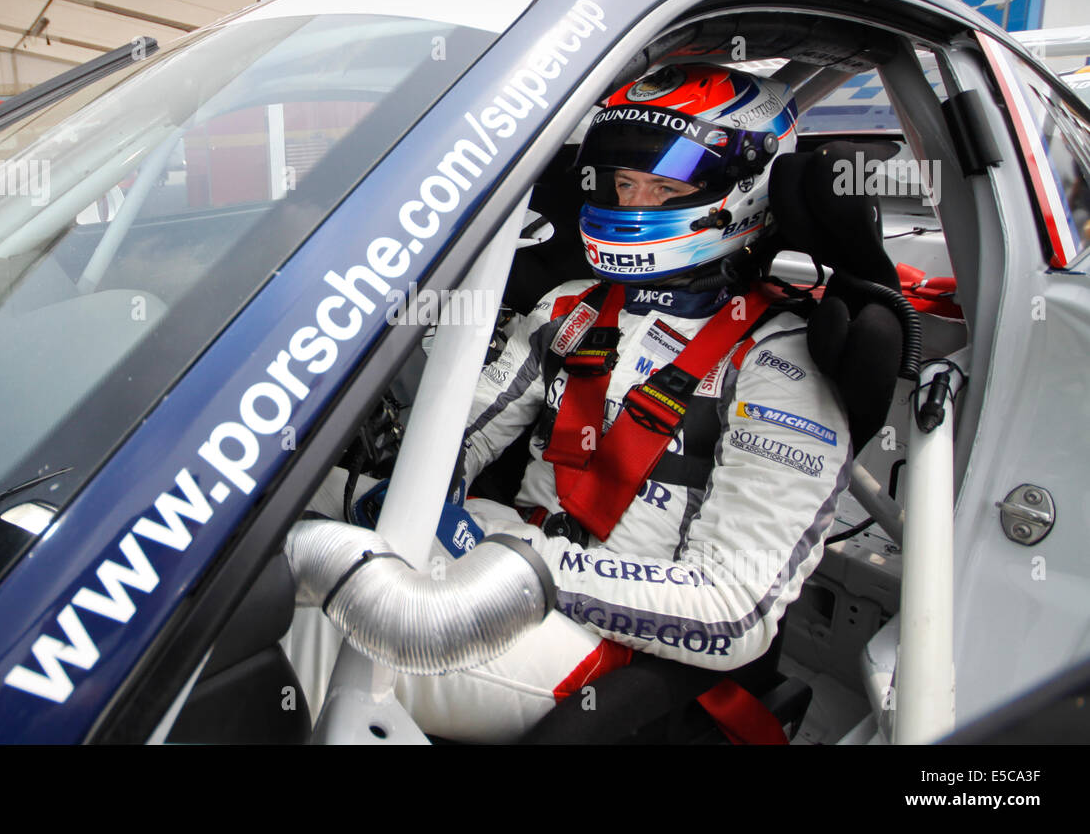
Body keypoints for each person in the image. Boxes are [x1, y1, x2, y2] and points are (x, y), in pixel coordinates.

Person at [287, 64, 852, 743]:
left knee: (298, 632)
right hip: (501, 553)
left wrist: (534, 571)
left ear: (747, 191)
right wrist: (385, 486)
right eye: (623, 183)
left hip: (608, 638)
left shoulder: (780, 364)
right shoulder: (571, 308)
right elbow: (458, 438)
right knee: (263, 559)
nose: (636, 201)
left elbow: (731, 612)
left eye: (665, 186)